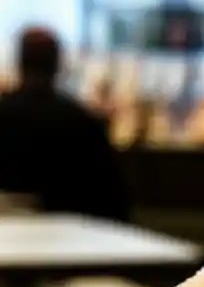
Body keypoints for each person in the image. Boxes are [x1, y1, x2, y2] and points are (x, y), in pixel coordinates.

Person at [0, 27, 131, 221]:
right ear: (58, 65)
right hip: (71, 237)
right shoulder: (82, 122)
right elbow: (113, 200)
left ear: (19, 63)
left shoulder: (4, 115)